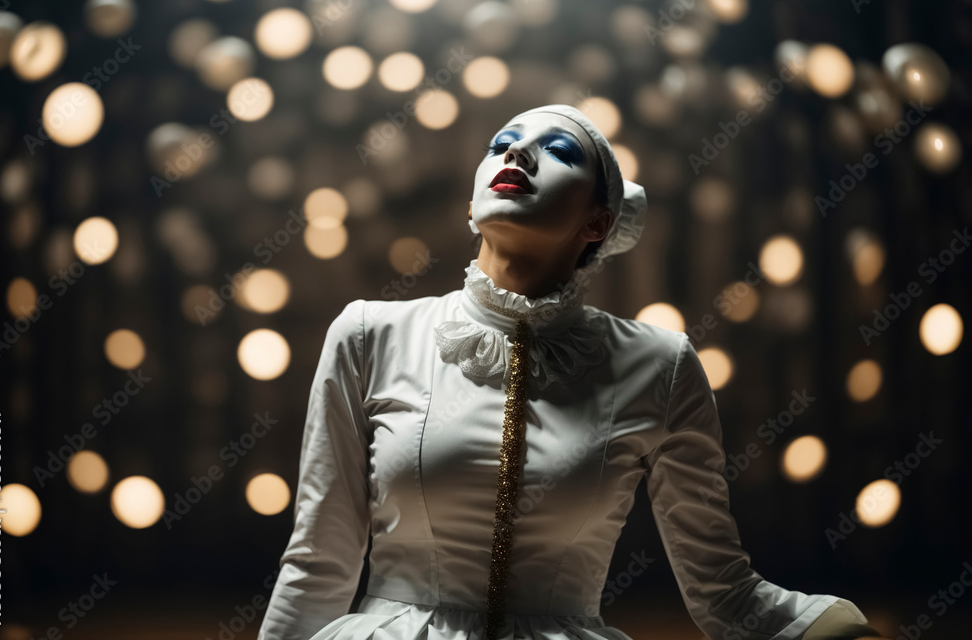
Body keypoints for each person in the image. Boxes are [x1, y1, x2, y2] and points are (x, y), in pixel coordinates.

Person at [257, 104, 884, 639]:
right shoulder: (370, 334)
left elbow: (721, 591)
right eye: (502, 145)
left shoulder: (660, 366)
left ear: (598, 223)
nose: (518, 155)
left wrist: (823, 625)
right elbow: (319, 560)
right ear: (473, 206)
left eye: (556, 151)